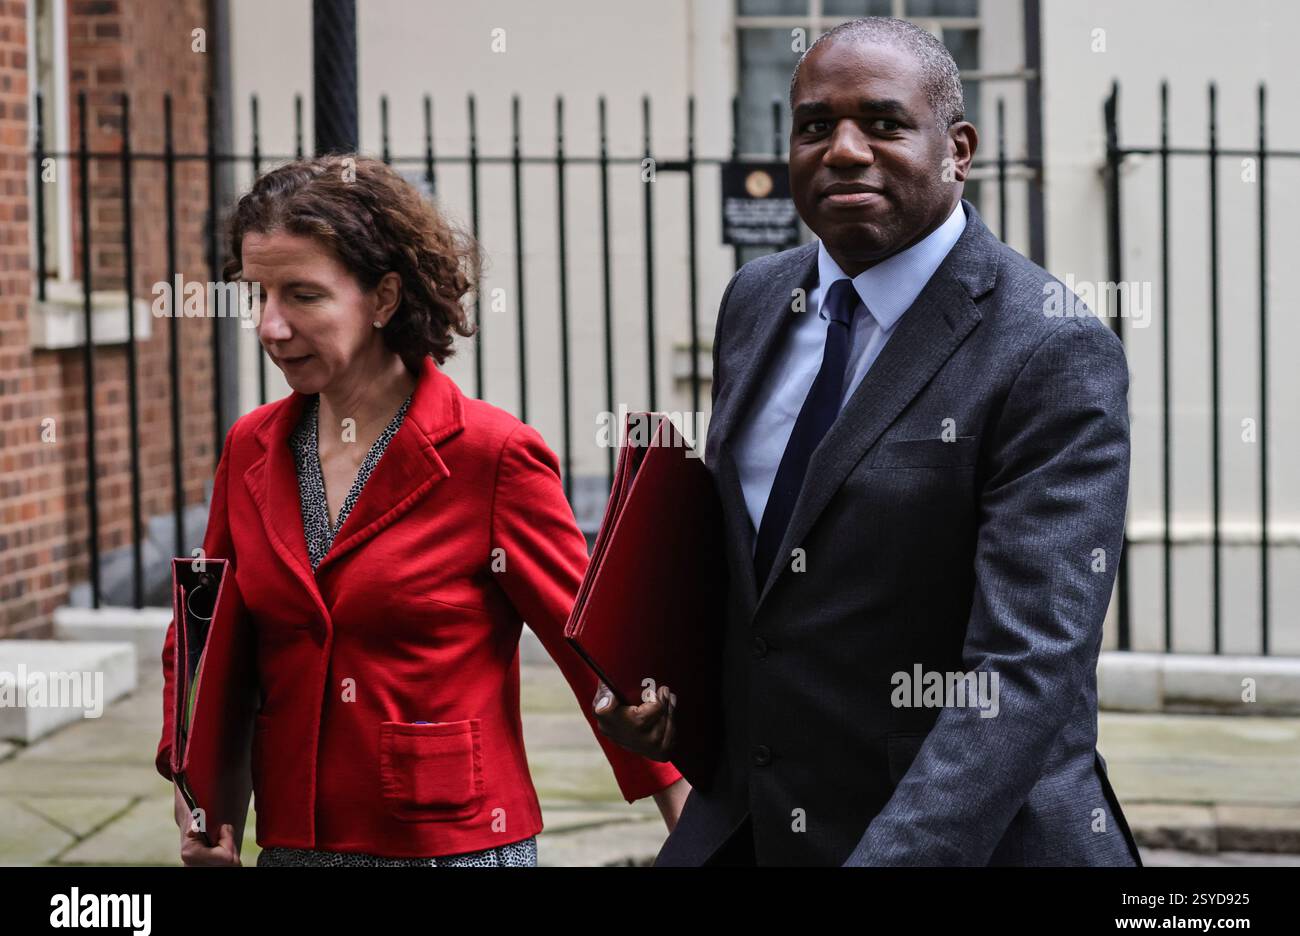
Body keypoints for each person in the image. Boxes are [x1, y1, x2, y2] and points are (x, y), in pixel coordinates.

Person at [594, 16, 1142, 867]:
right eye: (815, 126)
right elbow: (757, 573)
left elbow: (1025, 666)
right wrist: (664, 684)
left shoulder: (1051, 348)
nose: (843, 150)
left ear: (958, 148)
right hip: (756, 817)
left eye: (883, 123)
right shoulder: (755, 300)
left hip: (956, 839)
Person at [155, 155, 688, 866]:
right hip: (293, 841)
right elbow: (207, 639)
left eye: (303, 296)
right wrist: (202, 807)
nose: (271, 327)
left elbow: (595, 652)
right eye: (259, 295)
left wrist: (693, 829)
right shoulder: (250, 448)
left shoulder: (493, 454)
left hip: (450, 846)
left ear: (384, 298)